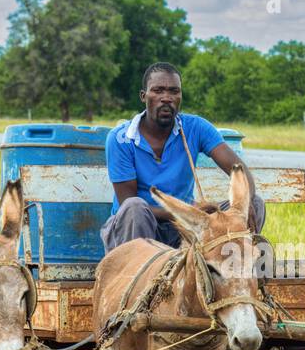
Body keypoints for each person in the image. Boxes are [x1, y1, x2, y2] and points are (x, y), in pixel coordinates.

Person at [100, 62, 266, 252]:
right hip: (136, 230)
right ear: (143, 96)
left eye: (174, 91)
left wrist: (243, 203)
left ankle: (235, 272)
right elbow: (127, 203)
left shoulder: (195, 127)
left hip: (183, 229)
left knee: (254, 202)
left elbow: (239, 170)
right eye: (158, 91)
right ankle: (138, 274)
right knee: (134, 207)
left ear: (180, 97)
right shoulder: (121, 138)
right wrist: (189, 213)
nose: (166, 98)